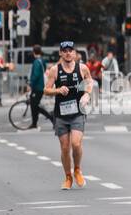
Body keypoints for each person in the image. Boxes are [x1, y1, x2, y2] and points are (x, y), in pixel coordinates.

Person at [44, 40, 92, 189]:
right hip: (61, 114)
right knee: (65, 148)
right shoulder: (55, 70)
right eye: (64, 50)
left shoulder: (82, 68)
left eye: (70, 50)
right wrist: (57, 90)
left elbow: (89, 82)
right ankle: (68, 177)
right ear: (60, 53)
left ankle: (77, 169)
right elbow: (46, 90)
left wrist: (87, 95)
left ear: (75, 53)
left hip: (78, 112)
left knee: (76, 143)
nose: (68, 53)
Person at [27, 45, 51, 128]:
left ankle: (51, 117)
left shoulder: (36, 62)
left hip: (37, 87)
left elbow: (35, 75)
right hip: (41, 87)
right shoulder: (42, 61)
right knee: (35, 105)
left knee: (34, 105)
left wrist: (30, 84)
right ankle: (34, 123)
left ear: (34, 52)